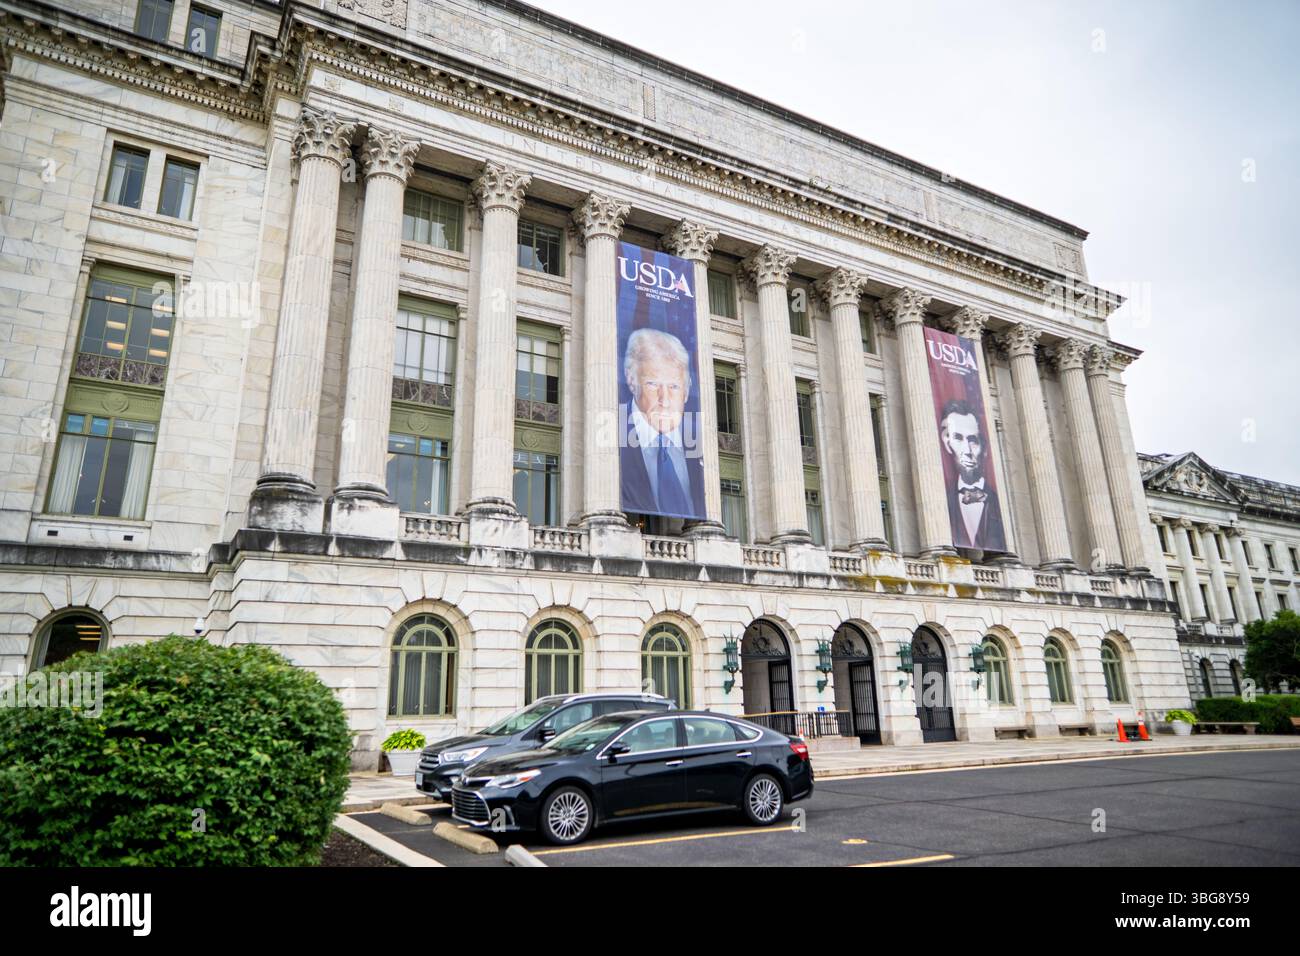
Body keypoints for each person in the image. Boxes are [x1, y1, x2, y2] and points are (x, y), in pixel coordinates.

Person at [619, 328, 705, 519]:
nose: (664, 400)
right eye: (653, 384)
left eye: (674, 386)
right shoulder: (611, 429)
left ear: (687, 389)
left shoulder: (700, 436)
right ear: (631, 380)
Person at [939, 398, 1006, 552]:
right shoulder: (945, 498)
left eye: (973, 440)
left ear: (984, 447)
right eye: (958, 438)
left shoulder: (996, 499)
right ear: (948, 444)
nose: (967, 451)